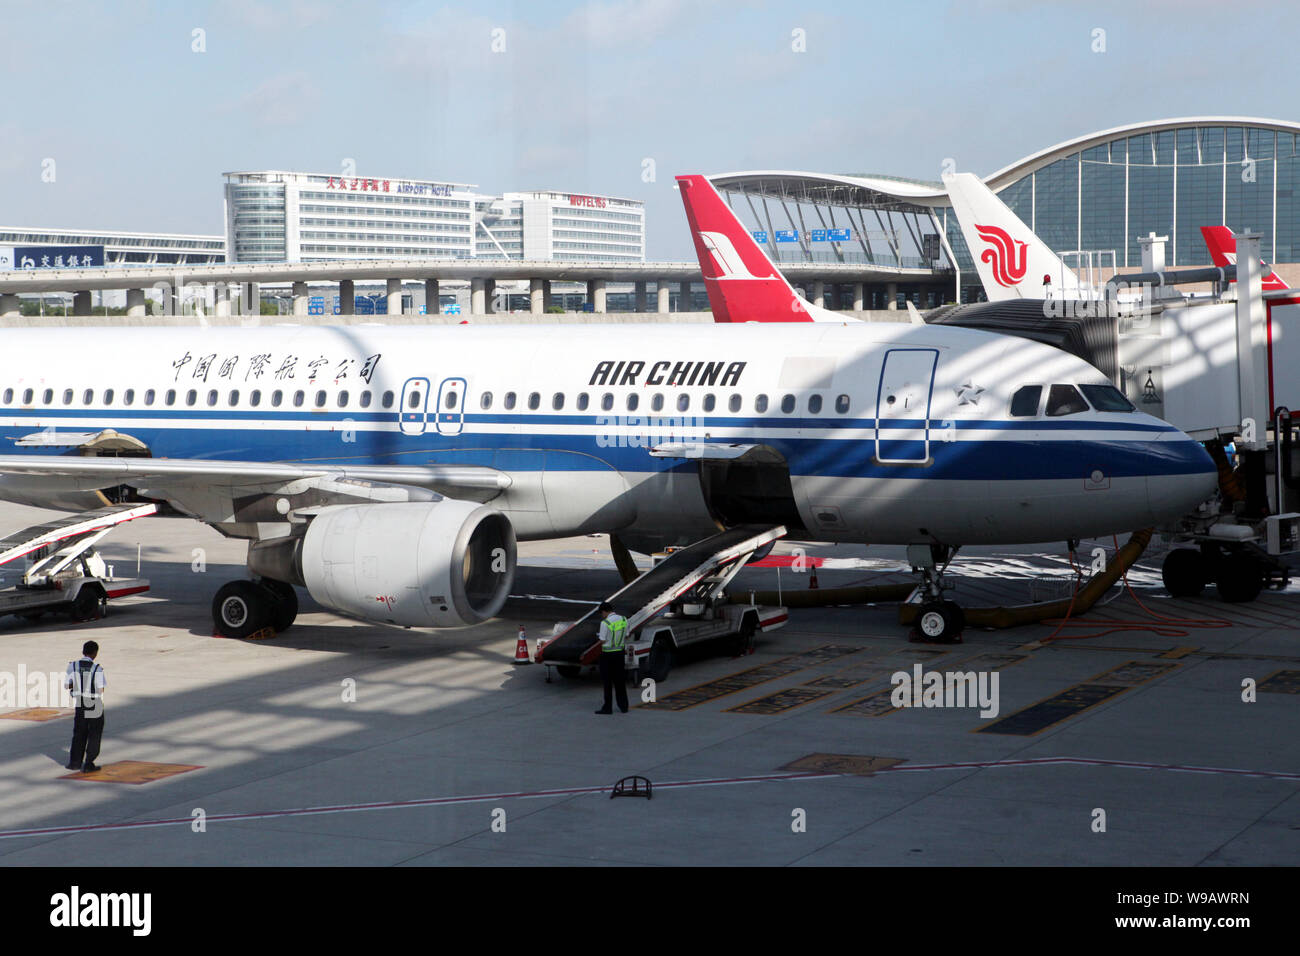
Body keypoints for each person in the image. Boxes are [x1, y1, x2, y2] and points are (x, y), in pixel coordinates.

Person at [65, 640, 105, 772]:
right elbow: (101, 689)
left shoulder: (73, 666)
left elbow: (67, 685)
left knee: (79, 732)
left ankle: (74, 763)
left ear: (83, 651)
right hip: (94, 704)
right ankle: (88, 764)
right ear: (95, 653)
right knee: (94, 734)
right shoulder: (97, 668)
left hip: (80, 703)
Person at [594, 602, 628, 714]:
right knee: (620, 681)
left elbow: (603, 640)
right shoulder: (623, 619)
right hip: (620, 653)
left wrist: (599, 636)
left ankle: (607, 708)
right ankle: (624, 706)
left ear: (604, 612)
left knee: (607, 683)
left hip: (608, 655)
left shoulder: (605, 623)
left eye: (601, 613)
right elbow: (627, 634)